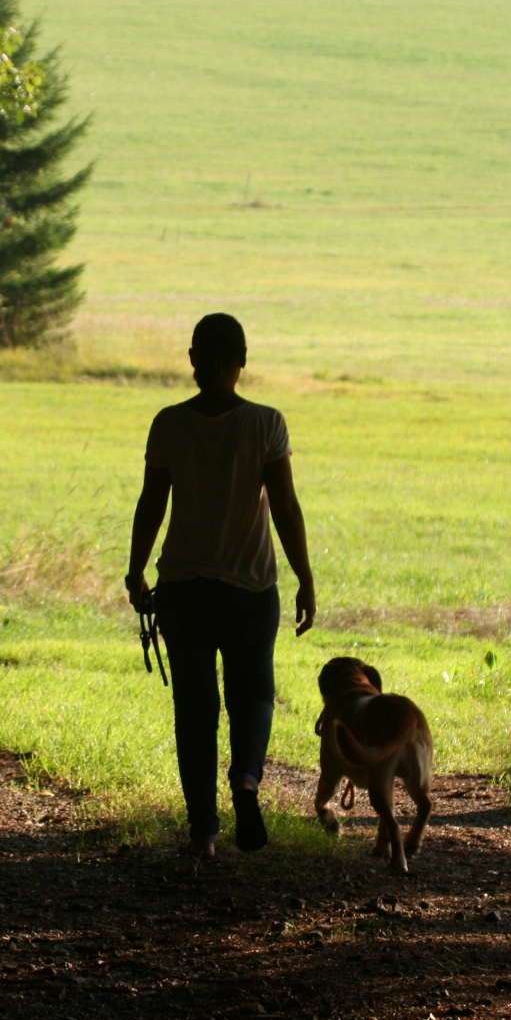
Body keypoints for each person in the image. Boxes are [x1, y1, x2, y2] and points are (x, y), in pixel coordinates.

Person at [126, 313, 315, 856]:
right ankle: (247, 782)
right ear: (242, 362)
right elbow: (285, 507)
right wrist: (304, 576)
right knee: (254, 692)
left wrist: (136, 568)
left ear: (192, 361)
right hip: (251, 588)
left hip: (183, 588)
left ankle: (203, 833)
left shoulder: (168, 423)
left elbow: (151, 504)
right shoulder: (266, 423)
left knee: (195, 709)